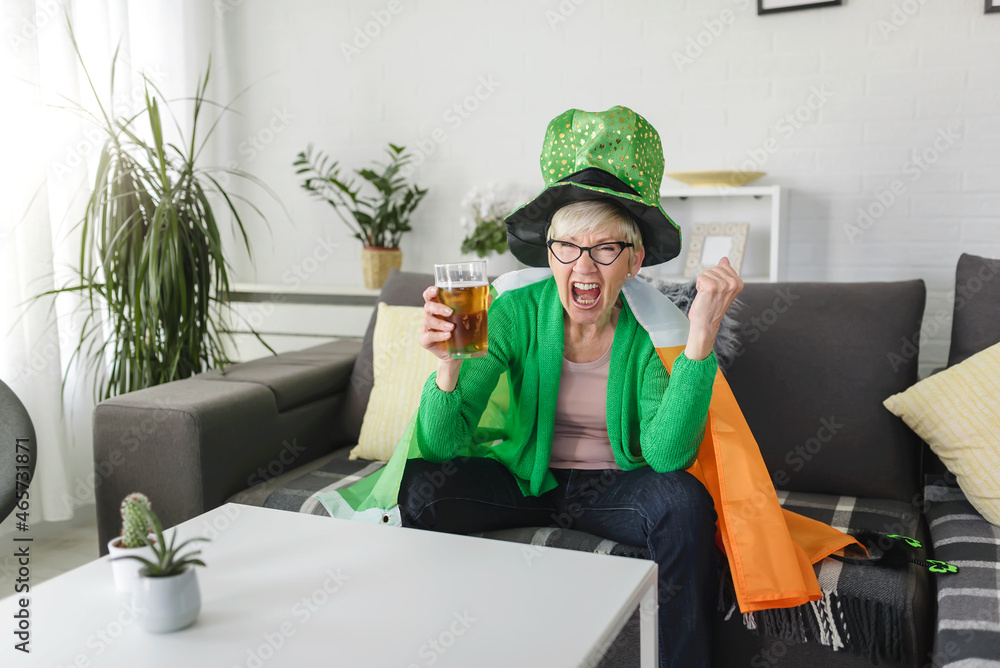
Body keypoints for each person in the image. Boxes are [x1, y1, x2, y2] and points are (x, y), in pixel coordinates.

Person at [396, 106, 744, 668]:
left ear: (632, 262)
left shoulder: (658, 329)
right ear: (549, 253)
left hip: (616, 490)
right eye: (568, 247)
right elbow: (441, 447)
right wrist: (447, 367)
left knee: (684, 503)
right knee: (420, 485)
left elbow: (666, 453)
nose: (584, 266)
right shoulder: (511, 311)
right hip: (524, 483)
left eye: (606, 249)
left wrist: (701, 339)